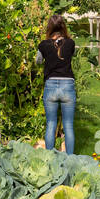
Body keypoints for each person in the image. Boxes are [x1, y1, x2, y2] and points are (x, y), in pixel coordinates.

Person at [37, 14, 76, 154]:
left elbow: (38, 61)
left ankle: (49, 159)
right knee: (68, 125)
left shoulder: (43, 45)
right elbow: (72, 54)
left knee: (51, 124)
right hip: (68, 86)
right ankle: (70, 160)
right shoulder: (70, 43)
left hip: (51, 85)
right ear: (63, 26)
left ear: (49, 27)